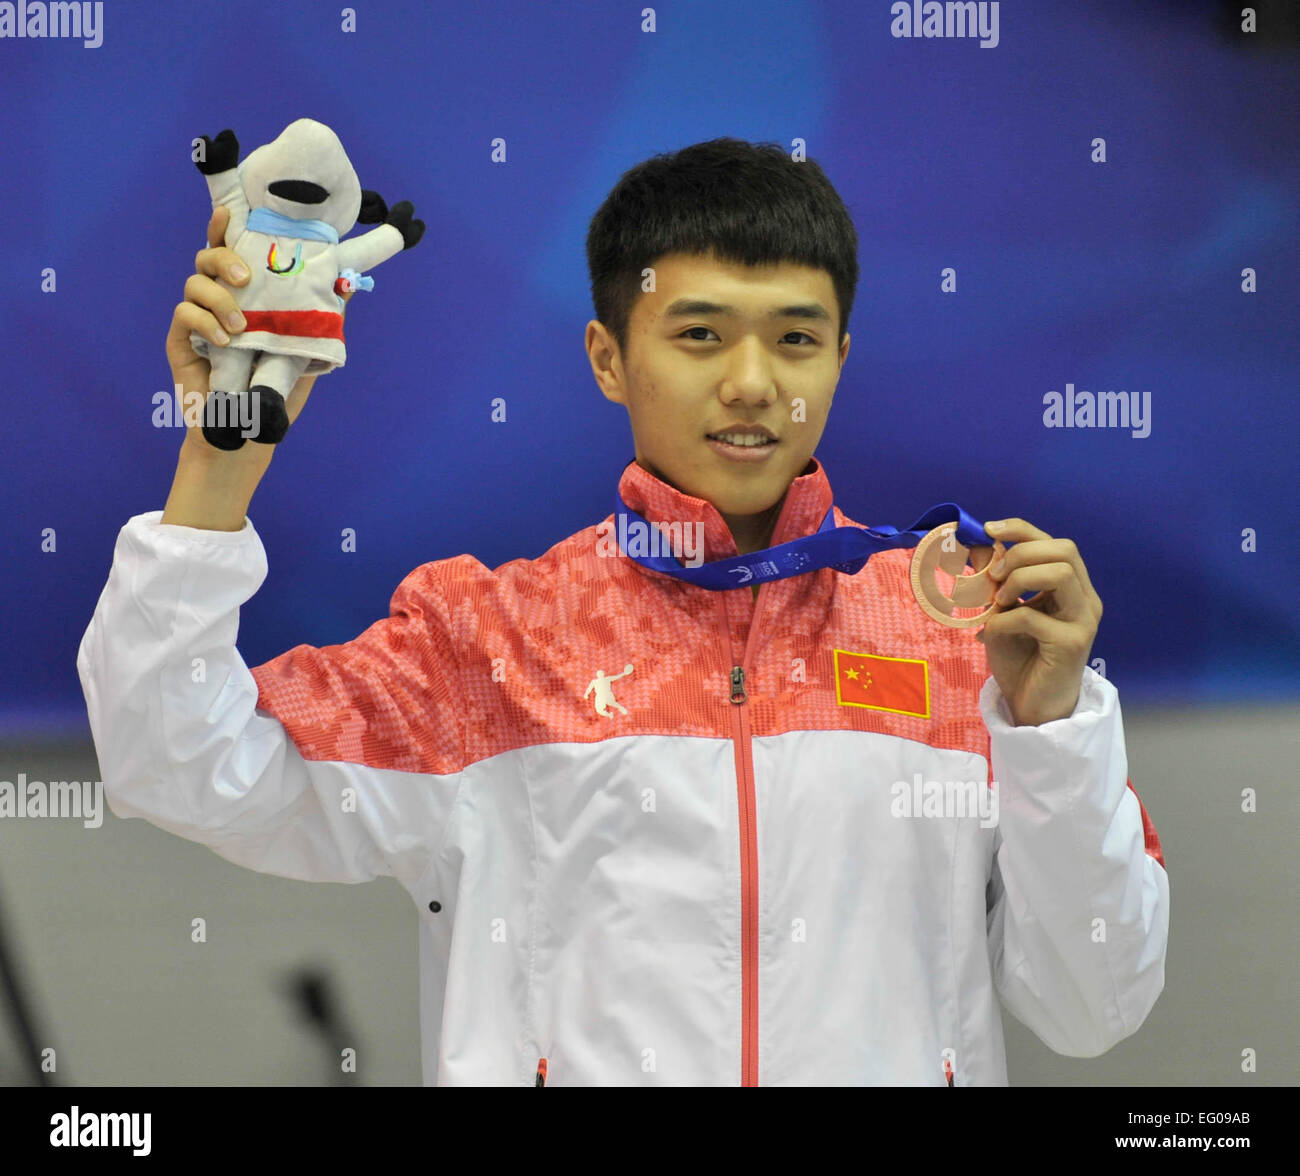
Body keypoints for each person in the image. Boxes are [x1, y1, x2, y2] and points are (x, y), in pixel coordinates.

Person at [77, 138, 1168, 1086]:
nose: (750, 382)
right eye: (698, 335)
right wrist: (220, 458)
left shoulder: (961, 640)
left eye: (793, 338)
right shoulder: (485, 645)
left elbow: (1094, 1006)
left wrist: (1053, 732)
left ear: (840, 358)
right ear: (609, 358)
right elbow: (172, 761)